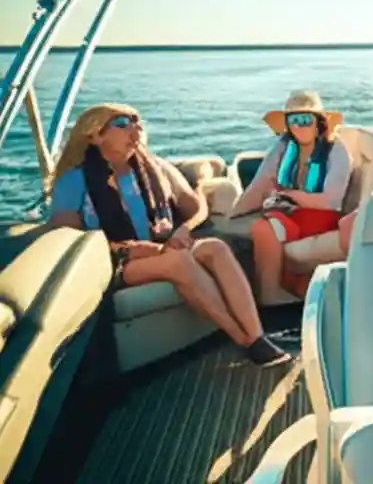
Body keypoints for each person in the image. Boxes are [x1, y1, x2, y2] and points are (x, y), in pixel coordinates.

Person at [46, 104, 290, 366]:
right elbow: (68, 239)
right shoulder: (74, 181)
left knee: (216, 247)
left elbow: (196, 207)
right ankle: (245, 341)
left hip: (162, 246)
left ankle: (257, 335)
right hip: (116, 262)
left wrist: (183, 229)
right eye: (121, 124)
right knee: (179, 262)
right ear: (95, 135)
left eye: (136, 122)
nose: (134, 128)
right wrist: (123, 249)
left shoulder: (156, 167)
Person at [229, 91, 357, 301]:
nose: (299, 126)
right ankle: (283, 293)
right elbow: (263, 180)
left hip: (320, 214)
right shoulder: (283, 147)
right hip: (287, 210)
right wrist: (234, 216)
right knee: (248, 228)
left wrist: (288, 194)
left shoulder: (336, 150)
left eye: (305, 119)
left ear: (319, 122)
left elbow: (331, 201)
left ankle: (268, 302)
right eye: (294, 120)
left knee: (263, 229)